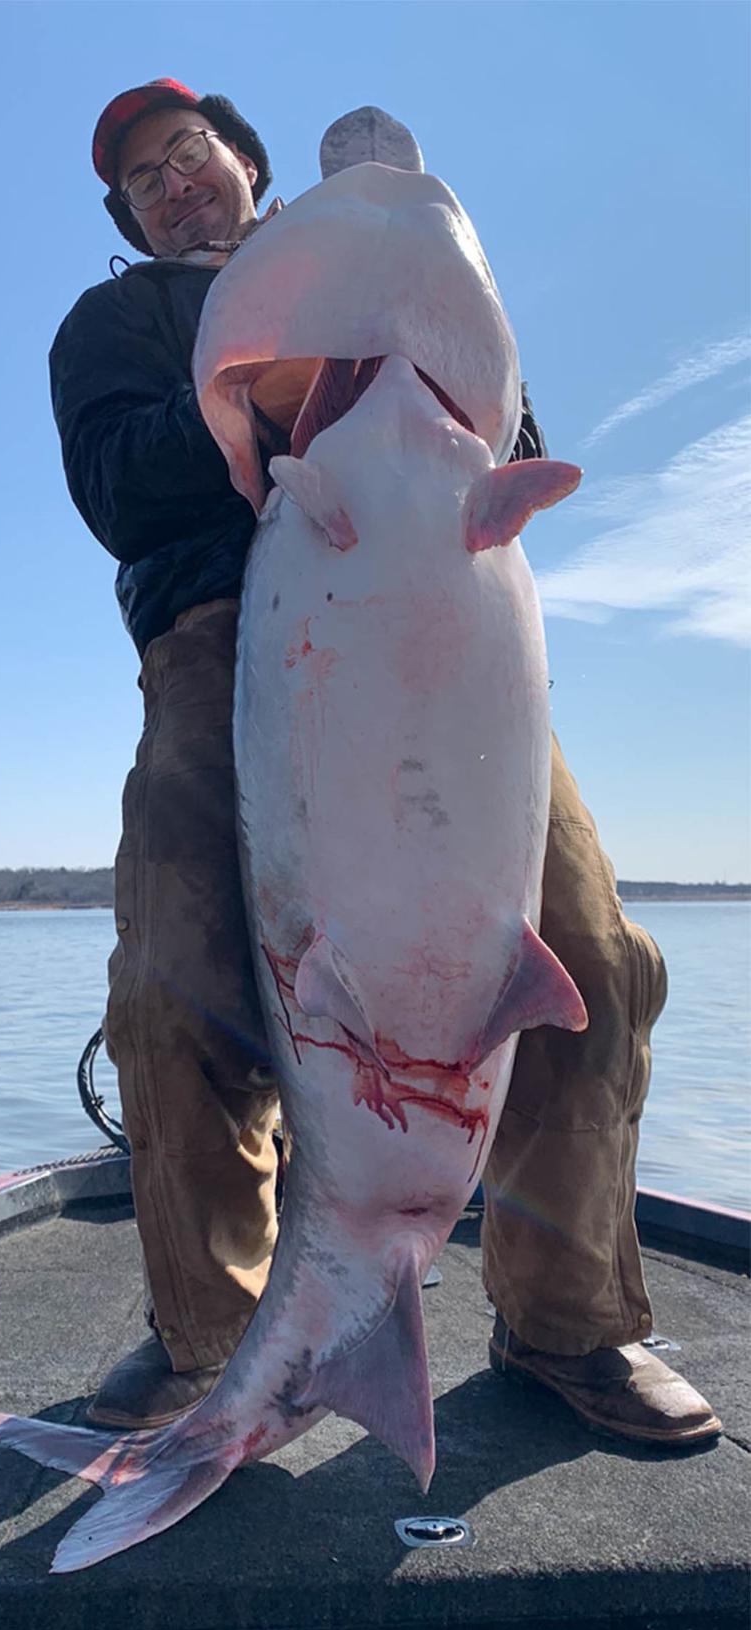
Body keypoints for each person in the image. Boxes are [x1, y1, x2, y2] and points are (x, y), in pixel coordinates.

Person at [48, 78, 721, 1447]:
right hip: (222, 641)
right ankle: (214, 1340)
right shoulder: (114, 323)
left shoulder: (392, 266)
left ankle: (567, 1323)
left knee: (590, 966)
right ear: (127, 218)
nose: (173, 187)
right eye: (142, 184)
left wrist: (406, 338)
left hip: (440, 657)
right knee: (175, 985)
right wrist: (262, 396)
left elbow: (513, 442)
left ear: (246, 161)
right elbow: (119, 494)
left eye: (189, 156)